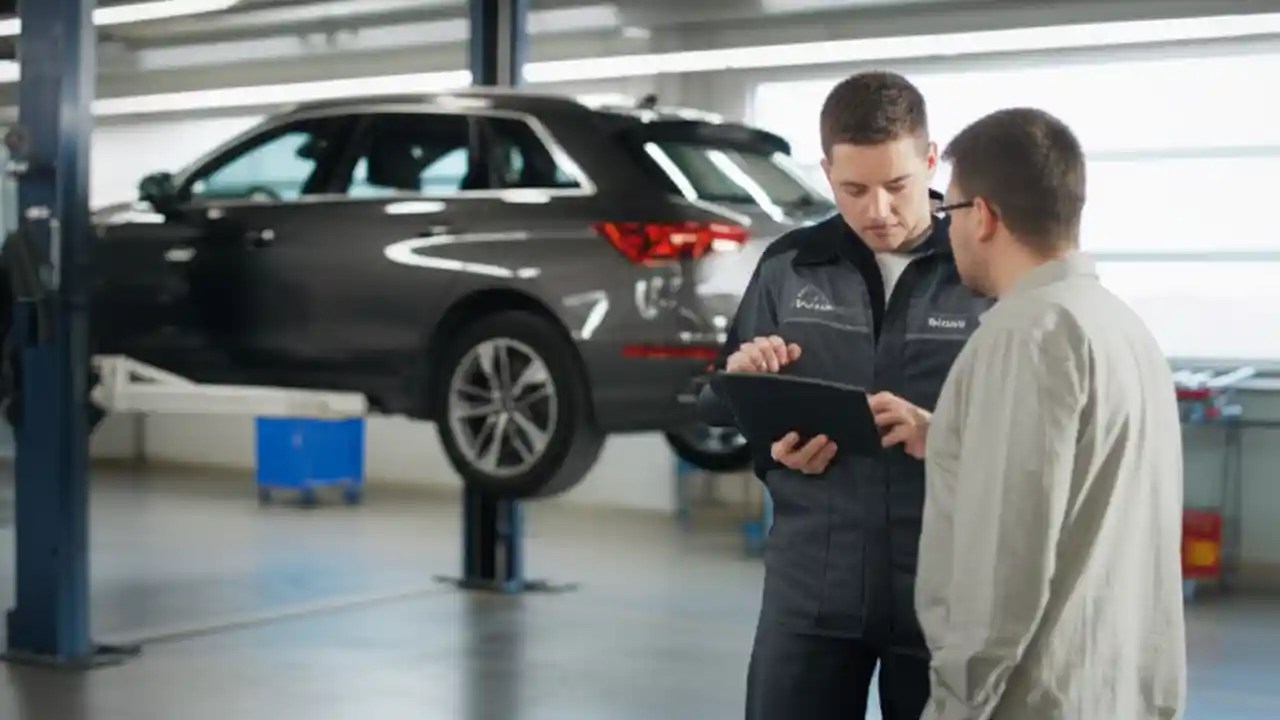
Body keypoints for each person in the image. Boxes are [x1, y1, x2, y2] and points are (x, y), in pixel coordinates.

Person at [702, 71, 993, 719]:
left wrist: (938, 432)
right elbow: (724, 406)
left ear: (929, 158)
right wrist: (763, 411)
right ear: (826, 170)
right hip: (811, 586)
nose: (877, 211)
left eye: (896, 186)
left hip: (942, 593)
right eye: (853, 189)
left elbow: (1029, 433)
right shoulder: (790, 265)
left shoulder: (984, 269)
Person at [899, 107, 1187, 719]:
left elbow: (1004, 562)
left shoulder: (1024, 334)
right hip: (1116, 694)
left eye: (947, 211)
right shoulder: (1122, 328)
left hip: (1030, 701)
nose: (944, 231)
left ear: (983, 217)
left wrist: (955, 704)